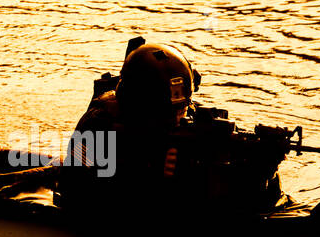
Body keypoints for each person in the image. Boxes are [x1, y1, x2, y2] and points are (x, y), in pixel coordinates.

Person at [57, 38, 282, 214]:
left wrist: (262, 165)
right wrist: (155, 174)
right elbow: (75, 188)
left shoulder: (189, 119)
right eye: (168, 114)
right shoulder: (98, 125)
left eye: (182, 109)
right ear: (141, 105)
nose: (178, 119)